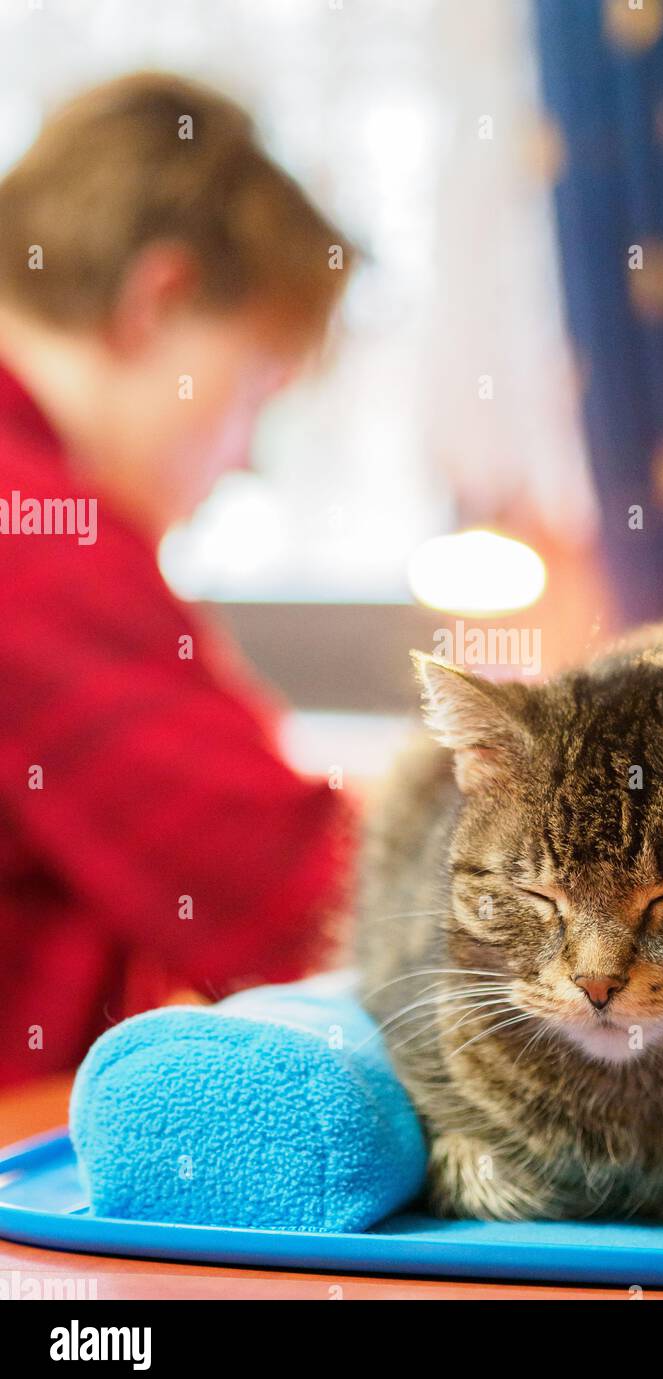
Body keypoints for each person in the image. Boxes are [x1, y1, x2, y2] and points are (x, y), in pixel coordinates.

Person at [0, 72, 356, 1087]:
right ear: (157, 299)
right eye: (258, 388)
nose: (244, 455)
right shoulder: (36, 536)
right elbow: (300, 907)